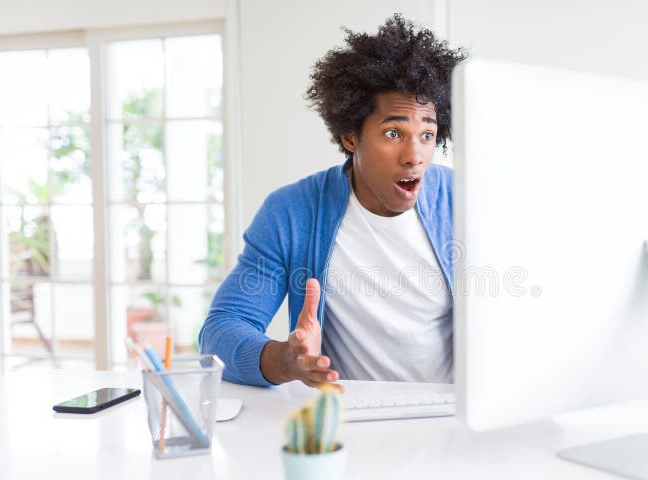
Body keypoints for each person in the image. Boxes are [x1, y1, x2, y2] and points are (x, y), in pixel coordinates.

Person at [199, 15, 467, 389]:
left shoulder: (466, 201)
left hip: (451, 418)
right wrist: (286, 360)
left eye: (426, 135)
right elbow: (220, 332)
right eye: (393, 133)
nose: (414, 155)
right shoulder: (291, 213)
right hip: (346, 422)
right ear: (351, 136)